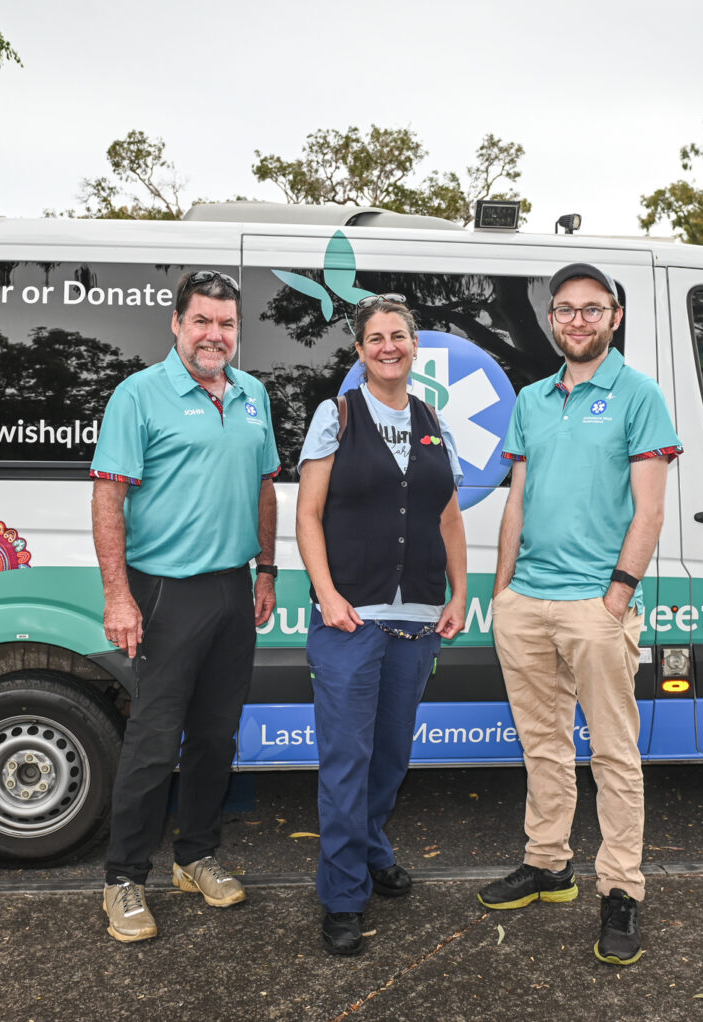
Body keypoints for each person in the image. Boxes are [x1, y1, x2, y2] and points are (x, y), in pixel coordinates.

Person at [479, 263, 682, 967]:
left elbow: (650, 509)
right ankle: (548, 864)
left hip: (596, 605)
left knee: (616, 755)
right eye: (565, 310)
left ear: (614, 316)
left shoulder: (639, 395)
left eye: (591, 310)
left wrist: (617, 597)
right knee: (543, 746)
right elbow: (517, 500)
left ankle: (621, 890)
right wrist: (503, 593)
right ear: (552, 320)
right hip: (527, 604)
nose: (577, 321)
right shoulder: (532, 399)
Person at [90, 269, 280, 943]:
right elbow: (109, 497)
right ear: (176, 324)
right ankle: (123, 879)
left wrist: (266, 570)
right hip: (164, 590)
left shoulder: (253, 394)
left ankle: (196, 856)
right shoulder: (139, 395)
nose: (214, 334)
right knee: (152, 740)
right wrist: (118, 596)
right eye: (202, 321)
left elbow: (263, 489)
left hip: (233, 588)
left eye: (226, 323)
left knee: (214, 737)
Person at [295, 295, 467, 956]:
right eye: (375, 337)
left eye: (398, 335)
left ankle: (369, 849)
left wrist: (459, 594)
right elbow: (309, 514)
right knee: (347, 762)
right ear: (360, 350)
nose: (388, 345)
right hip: (349, 620)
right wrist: (328, 595)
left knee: (390, 758)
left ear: (413, 345)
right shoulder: (335, 415)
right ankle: (342, 896)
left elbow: (447, 517)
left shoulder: (433, 420)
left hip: (419, 618)